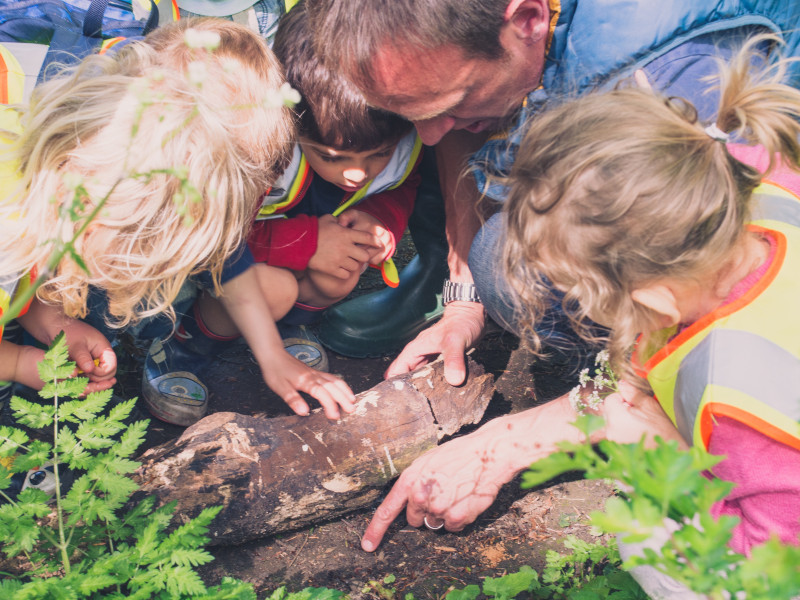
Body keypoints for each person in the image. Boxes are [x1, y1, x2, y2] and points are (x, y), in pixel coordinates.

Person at [304, 0, 800, 550]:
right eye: (412, 113)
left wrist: (624, 431)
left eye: (451, 102)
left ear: (528, 21)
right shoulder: (757, 176)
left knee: (643, 540)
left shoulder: (672, 70)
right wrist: (465, 298)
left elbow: (772, 561)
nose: (431, 135)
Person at [500, 37, 800, 595]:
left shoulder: (738, 394)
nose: (582, 306)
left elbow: (769, 573)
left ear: (657, 302)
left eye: (583, 294)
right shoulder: (753, 176)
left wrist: (669, 465)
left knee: (639, 534)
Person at [0, 18, 355, 427]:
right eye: (131, 269)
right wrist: (20, 363)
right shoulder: (16, 241)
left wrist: (51, 325)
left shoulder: (81, 160)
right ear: (88, 220)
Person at [243, 1, 423, 371]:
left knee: (341, 274)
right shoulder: (261, 152)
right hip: (234, 271)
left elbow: (401, 186)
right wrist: (309, 242)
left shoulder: (398, 138)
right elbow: (215, 243)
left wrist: (380, 220)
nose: (357, 175)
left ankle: (290, 327)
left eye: (379, 154)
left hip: (298, 253)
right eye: (332, 157)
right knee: (274, 288)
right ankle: (186, 347)